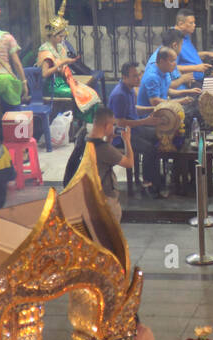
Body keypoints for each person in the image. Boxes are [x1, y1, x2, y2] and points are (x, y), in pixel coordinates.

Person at [64, 109, 132, 222]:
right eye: (113, 124)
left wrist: (109, 139)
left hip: (86, 197)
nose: (114, 127)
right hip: (104, 199)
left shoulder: (83, 139)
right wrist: (127, 141)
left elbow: (102, 159)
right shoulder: (104, 149)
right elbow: (129, 163)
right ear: (107, 126)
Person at [106, 62, 162, 197]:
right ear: (125, 77)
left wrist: (155, 109)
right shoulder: (119, 95)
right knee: (150, 148)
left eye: (139, 75)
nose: (138, 79)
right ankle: (148, 183)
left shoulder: (130, 89)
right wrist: (145, 121)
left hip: (133, 130)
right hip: (120, 136)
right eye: (135, 76)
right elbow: (120, 123)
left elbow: (134, 109)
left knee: (158, 136)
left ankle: (155, 178)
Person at [0, 0, 29, 114]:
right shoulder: (7, 37)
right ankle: (13, 131)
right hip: (7, 78)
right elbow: (16, 63)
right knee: (13, 111)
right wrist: (24, 82)